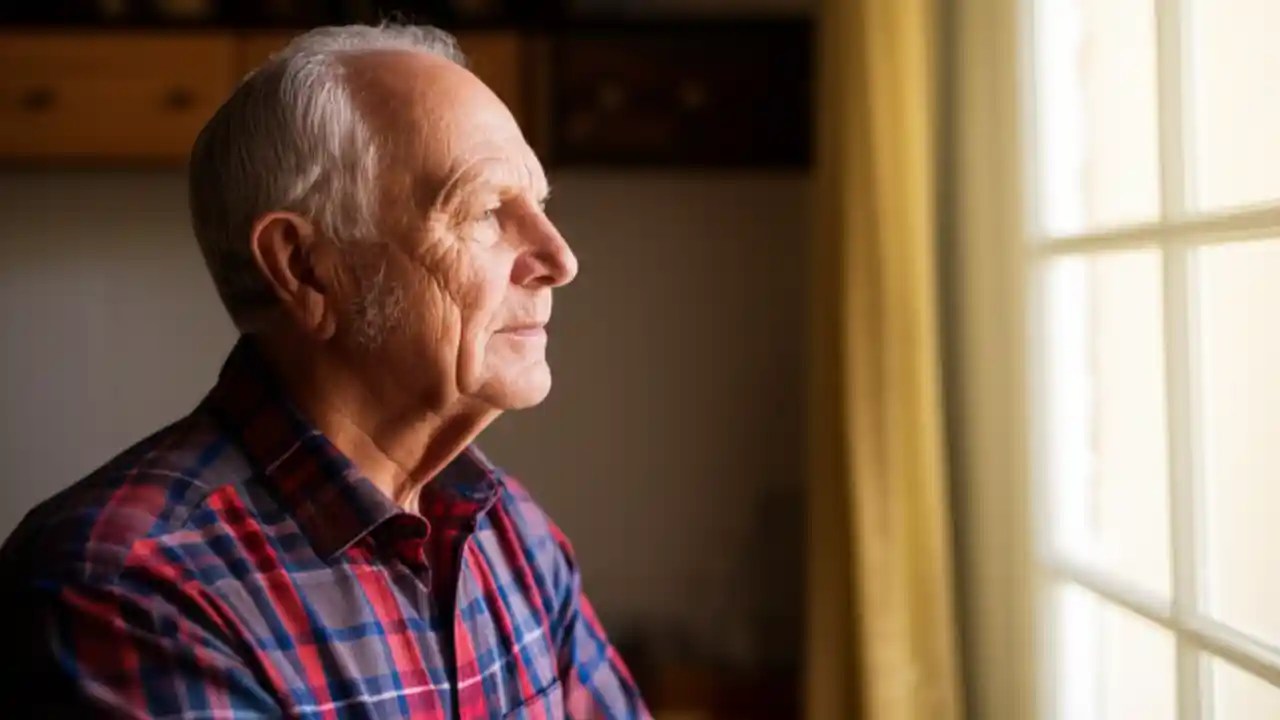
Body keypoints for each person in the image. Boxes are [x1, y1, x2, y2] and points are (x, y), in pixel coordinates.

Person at [0, 24, 649, 719]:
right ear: (306, 267)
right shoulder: (128, 586)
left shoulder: (512, 534)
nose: (559, 258)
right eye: (485, 211)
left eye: (539, 207)